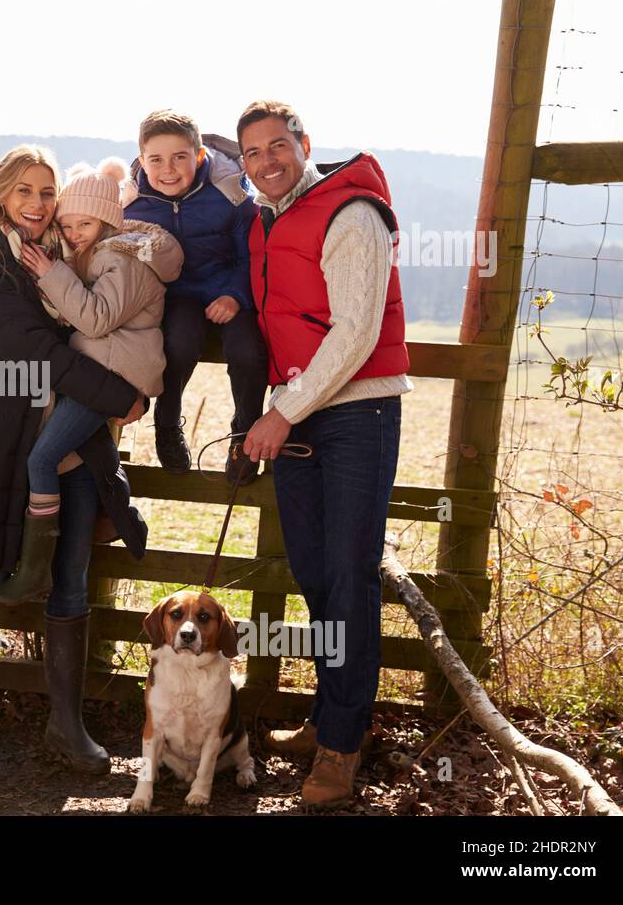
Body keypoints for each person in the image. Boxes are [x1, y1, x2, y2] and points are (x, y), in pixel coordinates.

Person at [0, 145, 148, 775]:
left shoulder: (60, 256)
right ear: (1, 194)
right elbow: (27, 346)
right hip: (9, 432)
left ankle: (66, 723)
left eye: (47, 192)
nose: (37, 203)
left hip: (75, 436)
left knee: (74, 571)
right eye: (24, 191)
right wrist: (116, 393)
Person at [237, 100, 412, 809]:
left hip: (357, 413)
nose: (267, 161)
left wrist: (280, 412)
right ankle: (329, 718)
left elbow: (355, 333)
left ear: (305, 145)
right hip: (302, 411)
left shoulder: (352, 212)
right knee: (314, 574)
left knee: (348, 574)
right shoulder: (265, 221)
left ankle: (342, 746)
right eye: (252, 152)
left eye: (279, 146)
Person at [0, 163, 182, 606]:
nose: (74, 233)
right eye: (67, 224)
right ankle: (119, 519)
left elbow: (94, 319)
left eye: (85, 223)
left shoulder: (121, 260)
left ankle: (35, 569)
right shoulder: (92, 255)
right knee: (87, 460)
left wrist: (50, 273)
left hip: (114, 376)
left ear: (108, 221)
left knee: (43, 458)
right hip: (99, 372)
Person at [124, 110, 267, 483]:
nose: (167, 169)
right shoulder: (132, 202)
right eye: (156, 159)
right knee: (179, 342)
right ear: (142, 161)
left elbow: (249, 255)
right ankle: (168, 424)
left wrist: (235, 295)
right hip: (176, 297)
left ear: (200, 156)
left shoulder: (231, 194)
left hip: (228, 289)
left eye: (180, 157)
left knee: (249, 351)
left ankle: (245, 438)